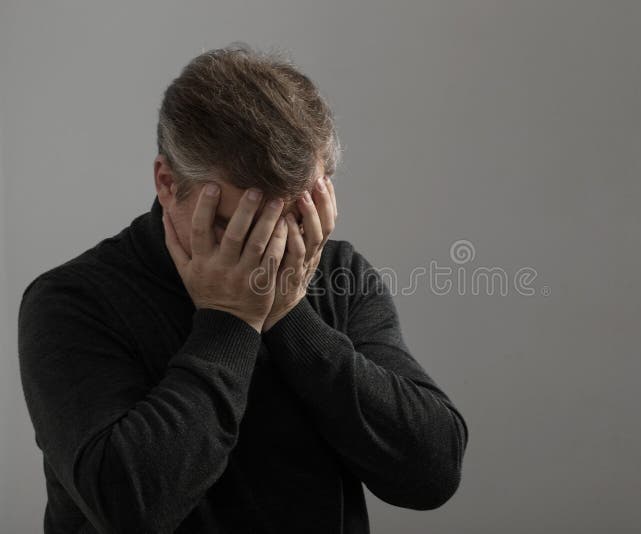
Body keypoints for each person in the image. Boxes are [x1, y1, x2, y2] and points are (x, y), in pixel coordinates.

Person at [17, 43, 468, 533]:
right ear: (167, 184)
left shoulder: (338, 272)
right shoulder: (72, 301)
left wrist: (290, 315)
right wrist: (230, 319)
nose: (271, 252)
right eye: (240, 228)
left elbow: (433, 472)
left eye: (292, 222)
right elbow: (131, 507)